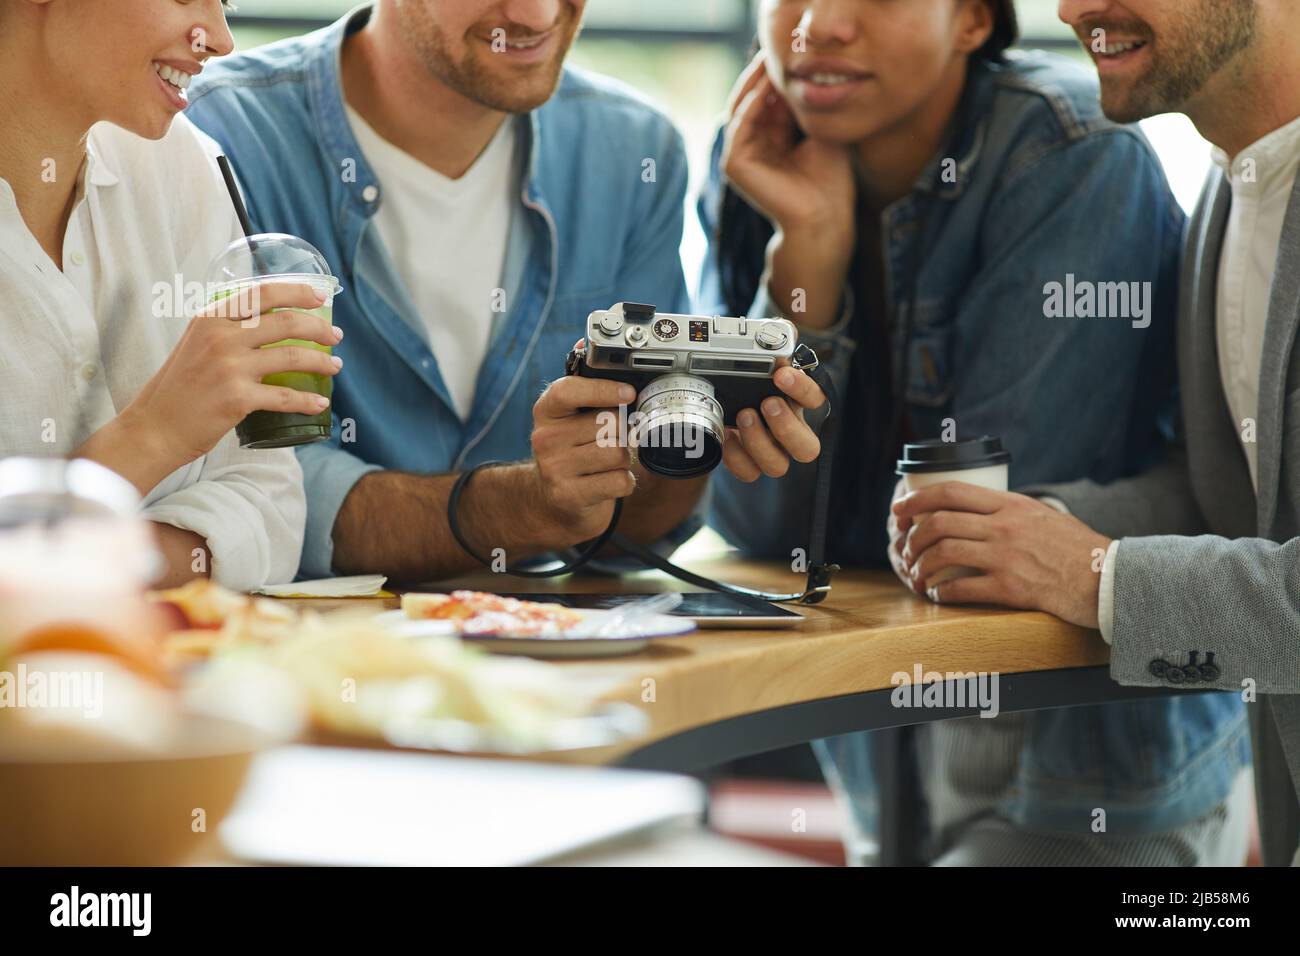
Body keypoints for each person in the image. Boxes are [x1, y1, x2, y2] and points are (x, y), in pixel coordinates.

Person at [697, 0, 1249, 865]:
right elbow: (757, 525)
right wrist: (806, 255)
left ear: (972, 22)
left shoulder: (1071, 154)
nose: (816, 29)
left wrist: (829, 508)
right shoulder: (756, 158)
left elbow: (973, 537)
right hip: (888, 751)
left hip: (1081, 774)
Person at [184, 0, 826, 584]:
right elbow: (251, 490)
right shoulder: (216, 136)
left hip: (566, 674)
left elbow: (633, 524)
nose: (537, 12)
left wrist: (688, 445)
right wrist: (523, 507)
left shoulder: (633, 152)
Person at [895, 0, 1300, 867]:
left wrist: (1097, 576)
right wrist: (1022, 530)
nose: (1070, 7)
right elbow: (1225, 502)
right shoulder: (1225, 203)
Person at [0, 0, 338, 590]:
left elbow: (273, 507)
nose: (224, 40)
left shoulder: (179, 160)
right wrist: (155, 435)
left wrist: (70, 564)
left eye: (226, 4)